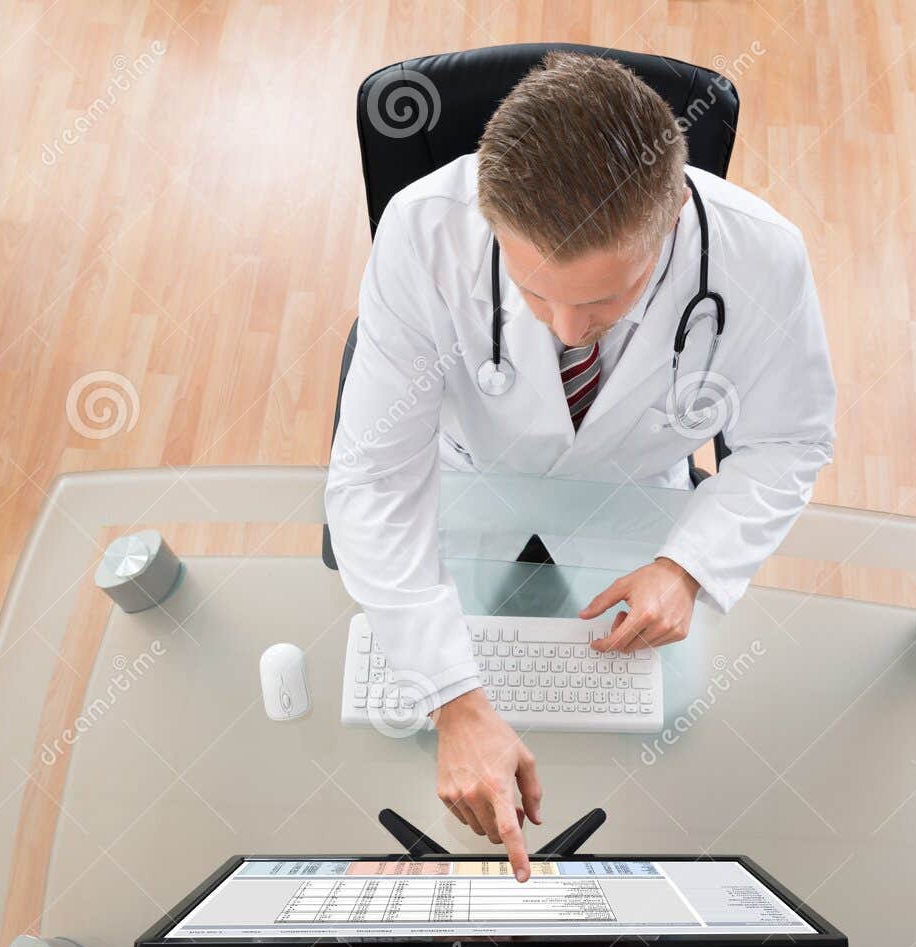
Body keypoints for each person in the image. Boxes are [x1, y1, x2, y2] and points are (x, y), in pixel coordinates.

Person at [325, 52, 836, 880]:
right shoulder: (424, 230)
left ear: (671, 217)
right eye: (532, 293)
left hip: (637, 506)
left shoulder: (761, 257)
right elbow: (378, 480)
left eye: (602, 300)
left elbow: (789, 442)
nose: (566, 332)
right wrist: (455, 701)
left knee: (661, 759)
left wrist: (688, 565)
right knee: (407, 741)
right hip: (466, 484)